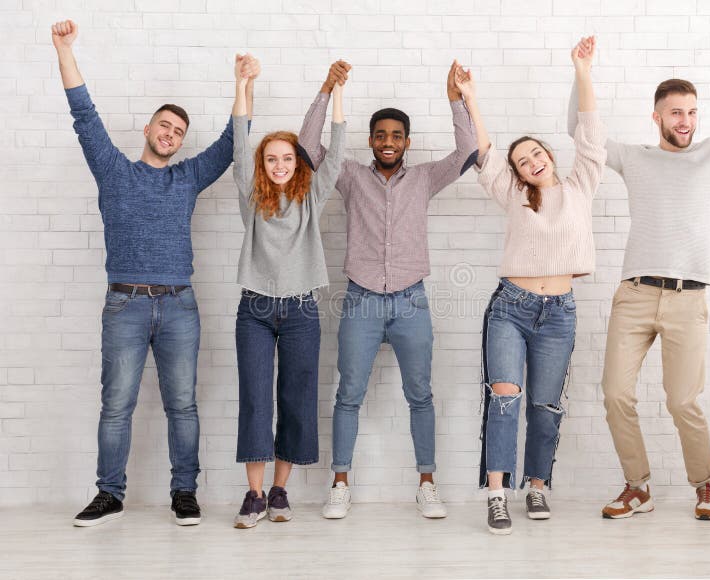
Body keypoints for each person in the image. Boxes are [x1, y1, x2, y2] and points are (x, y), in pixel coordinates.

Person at [570, 27, 710, 521]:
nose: (685, 121)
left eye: (691, 112)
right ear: (657, 116)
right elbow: (583, 136)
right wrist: (581, 74)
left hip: (689, 299)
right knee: (614, 394)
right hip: (635, 294)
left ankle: (706, 485)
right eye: (675, 112)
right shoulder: (634, 157)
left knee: (682, 401)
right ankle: (637, 486)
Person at [53, 19, 259, 527]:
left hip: (178, 306)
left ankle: (184, 493)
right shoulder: (114, 170)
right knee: (116, 406)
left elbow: (234, 144)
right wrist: (64, 50)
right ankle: (110, 494)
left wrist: (242, 87)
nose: (171, 135)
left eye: (179, 132)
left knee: (182, 406)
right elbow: (84, 114)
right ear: (148, 129)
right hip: (124, 304)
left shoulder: (187, 178)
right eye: (164, 126)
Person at [298, 60, 478, 519]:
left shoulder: (424, 178)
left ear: (407, 143)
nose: (388, 142)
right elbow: (306, 146)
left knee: (420, 395)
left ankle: (427, 483)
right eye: (380, 135)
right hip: (360, 301)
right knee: (348, 395)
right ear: (371, 141)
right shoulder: (350, 175)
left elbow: (468, 151)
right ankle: (339, 483)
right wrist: (326, 87)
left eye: (397, 136)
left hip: (411, 301)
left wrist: (454, 97)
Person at [458, 38, 606, 534]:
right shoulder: (512, 194)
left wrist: (582, 71)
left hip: (560, 312)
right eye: (522, 160)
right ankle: (497, 493)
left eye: (537, 153)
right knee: (504, 394)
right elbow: (484, 152)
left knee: (545, 404)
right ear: (517, 173)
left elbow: (590, 135)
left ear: (549, 157)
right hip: (511, 309)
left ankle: (537, 487)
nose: (531, 161)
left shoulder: (580, 186)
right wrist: (471, 99)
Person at [230, 59, 346, 529]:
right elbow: (239, 143)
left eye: (287, 158)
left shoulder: (311, 198)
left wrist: (338, 91)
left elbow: (336, 151)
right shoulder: (251, 194)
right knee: (256, 400)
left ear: (298, 163)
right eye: (272, 158)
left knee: (296, 399)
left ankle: (280, 490)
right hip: (254, 308)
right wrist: (241, 85)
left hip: (301, 309)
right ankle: (254, 495)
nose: (279, 165)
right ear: (263, 164)